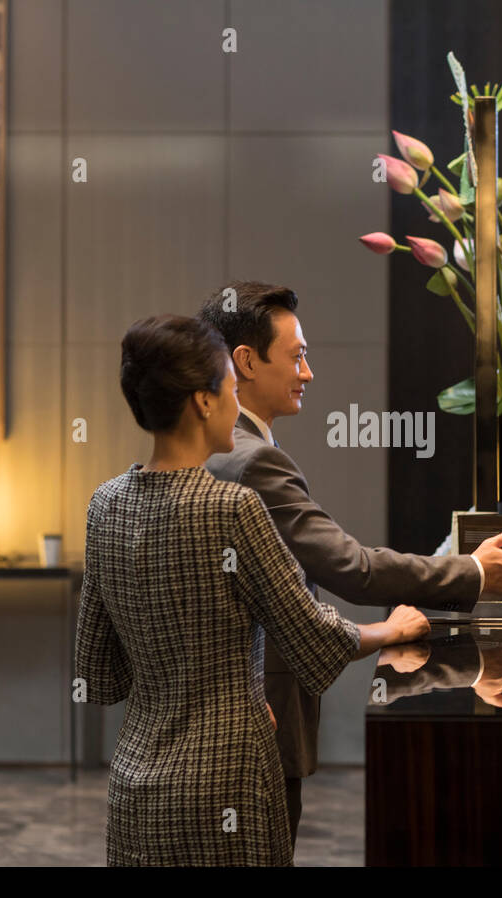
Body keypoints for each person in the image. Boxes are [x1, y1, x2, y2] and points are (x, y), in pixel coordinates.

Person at [75, 314, 428, 866]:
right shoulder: (232, 508)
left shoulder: (105, 504)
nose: (238, 406)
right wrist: (393, 628)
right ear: (203, 401)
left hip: (136, 783)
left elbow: (98, 673)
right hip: (227, 781)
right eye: (232, 389)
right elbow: (312, 638)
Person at [199, 281, 502, 843]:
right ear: (246, 362)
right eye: (297, 355)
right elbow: (351, 569)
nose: (309, 372)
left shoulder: (215, 453)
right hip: (256, 715)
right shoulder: (252, 461)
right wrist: (471, 571)